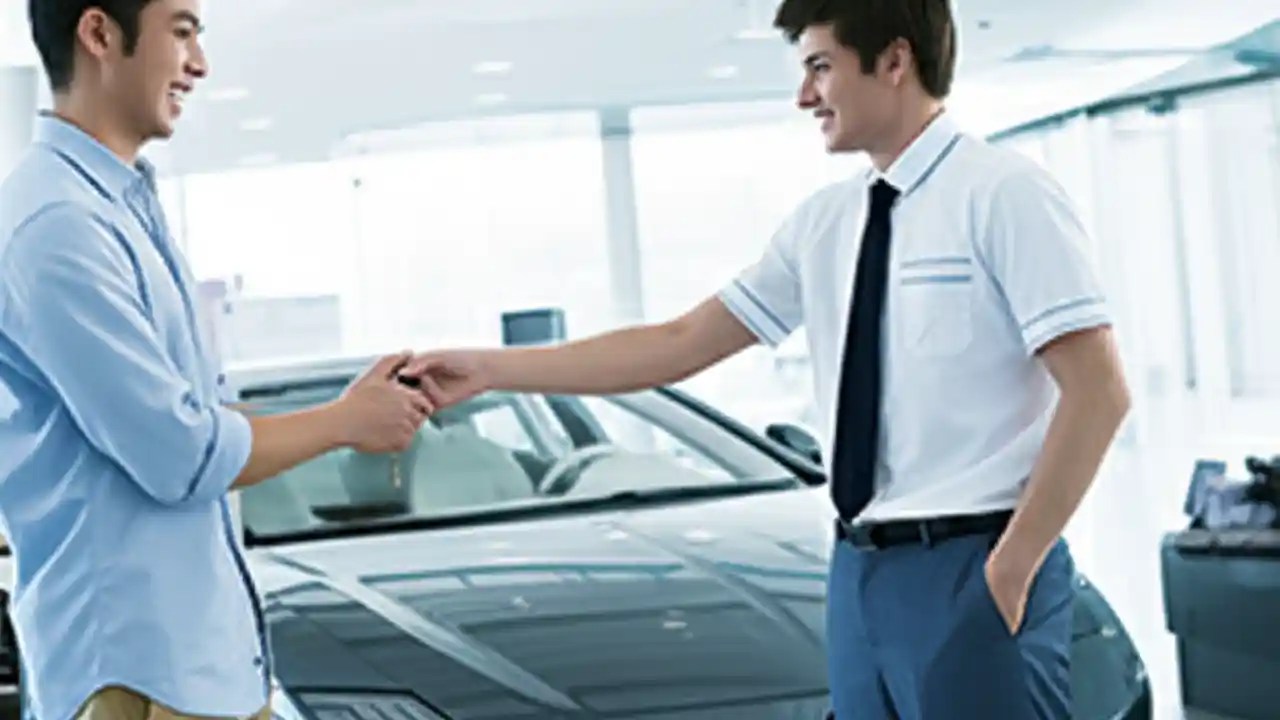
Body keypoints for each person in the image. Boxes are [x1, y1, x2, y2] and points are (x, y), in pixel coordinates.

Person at [406, 0, 1131, 717]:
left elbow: (1099, 392)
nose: (803, 95)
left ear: (895, 60)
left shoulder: (1004, 194)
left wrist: (1013, 563)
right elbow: (677, 343)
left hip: (972, 560)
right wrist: (495, 370)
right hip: (858, 571)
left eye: (820, 66)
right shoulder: (825, 223)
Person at [0, 2, 434, 720]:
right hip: (138, 675)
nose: (199, 63)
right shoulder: (59, 225)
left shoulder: (117, 203)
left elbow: (189, 424)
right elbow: (180, 455)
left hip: (195, 668)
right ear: (101, 33)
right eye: (181, 30)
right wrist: (346, 422)